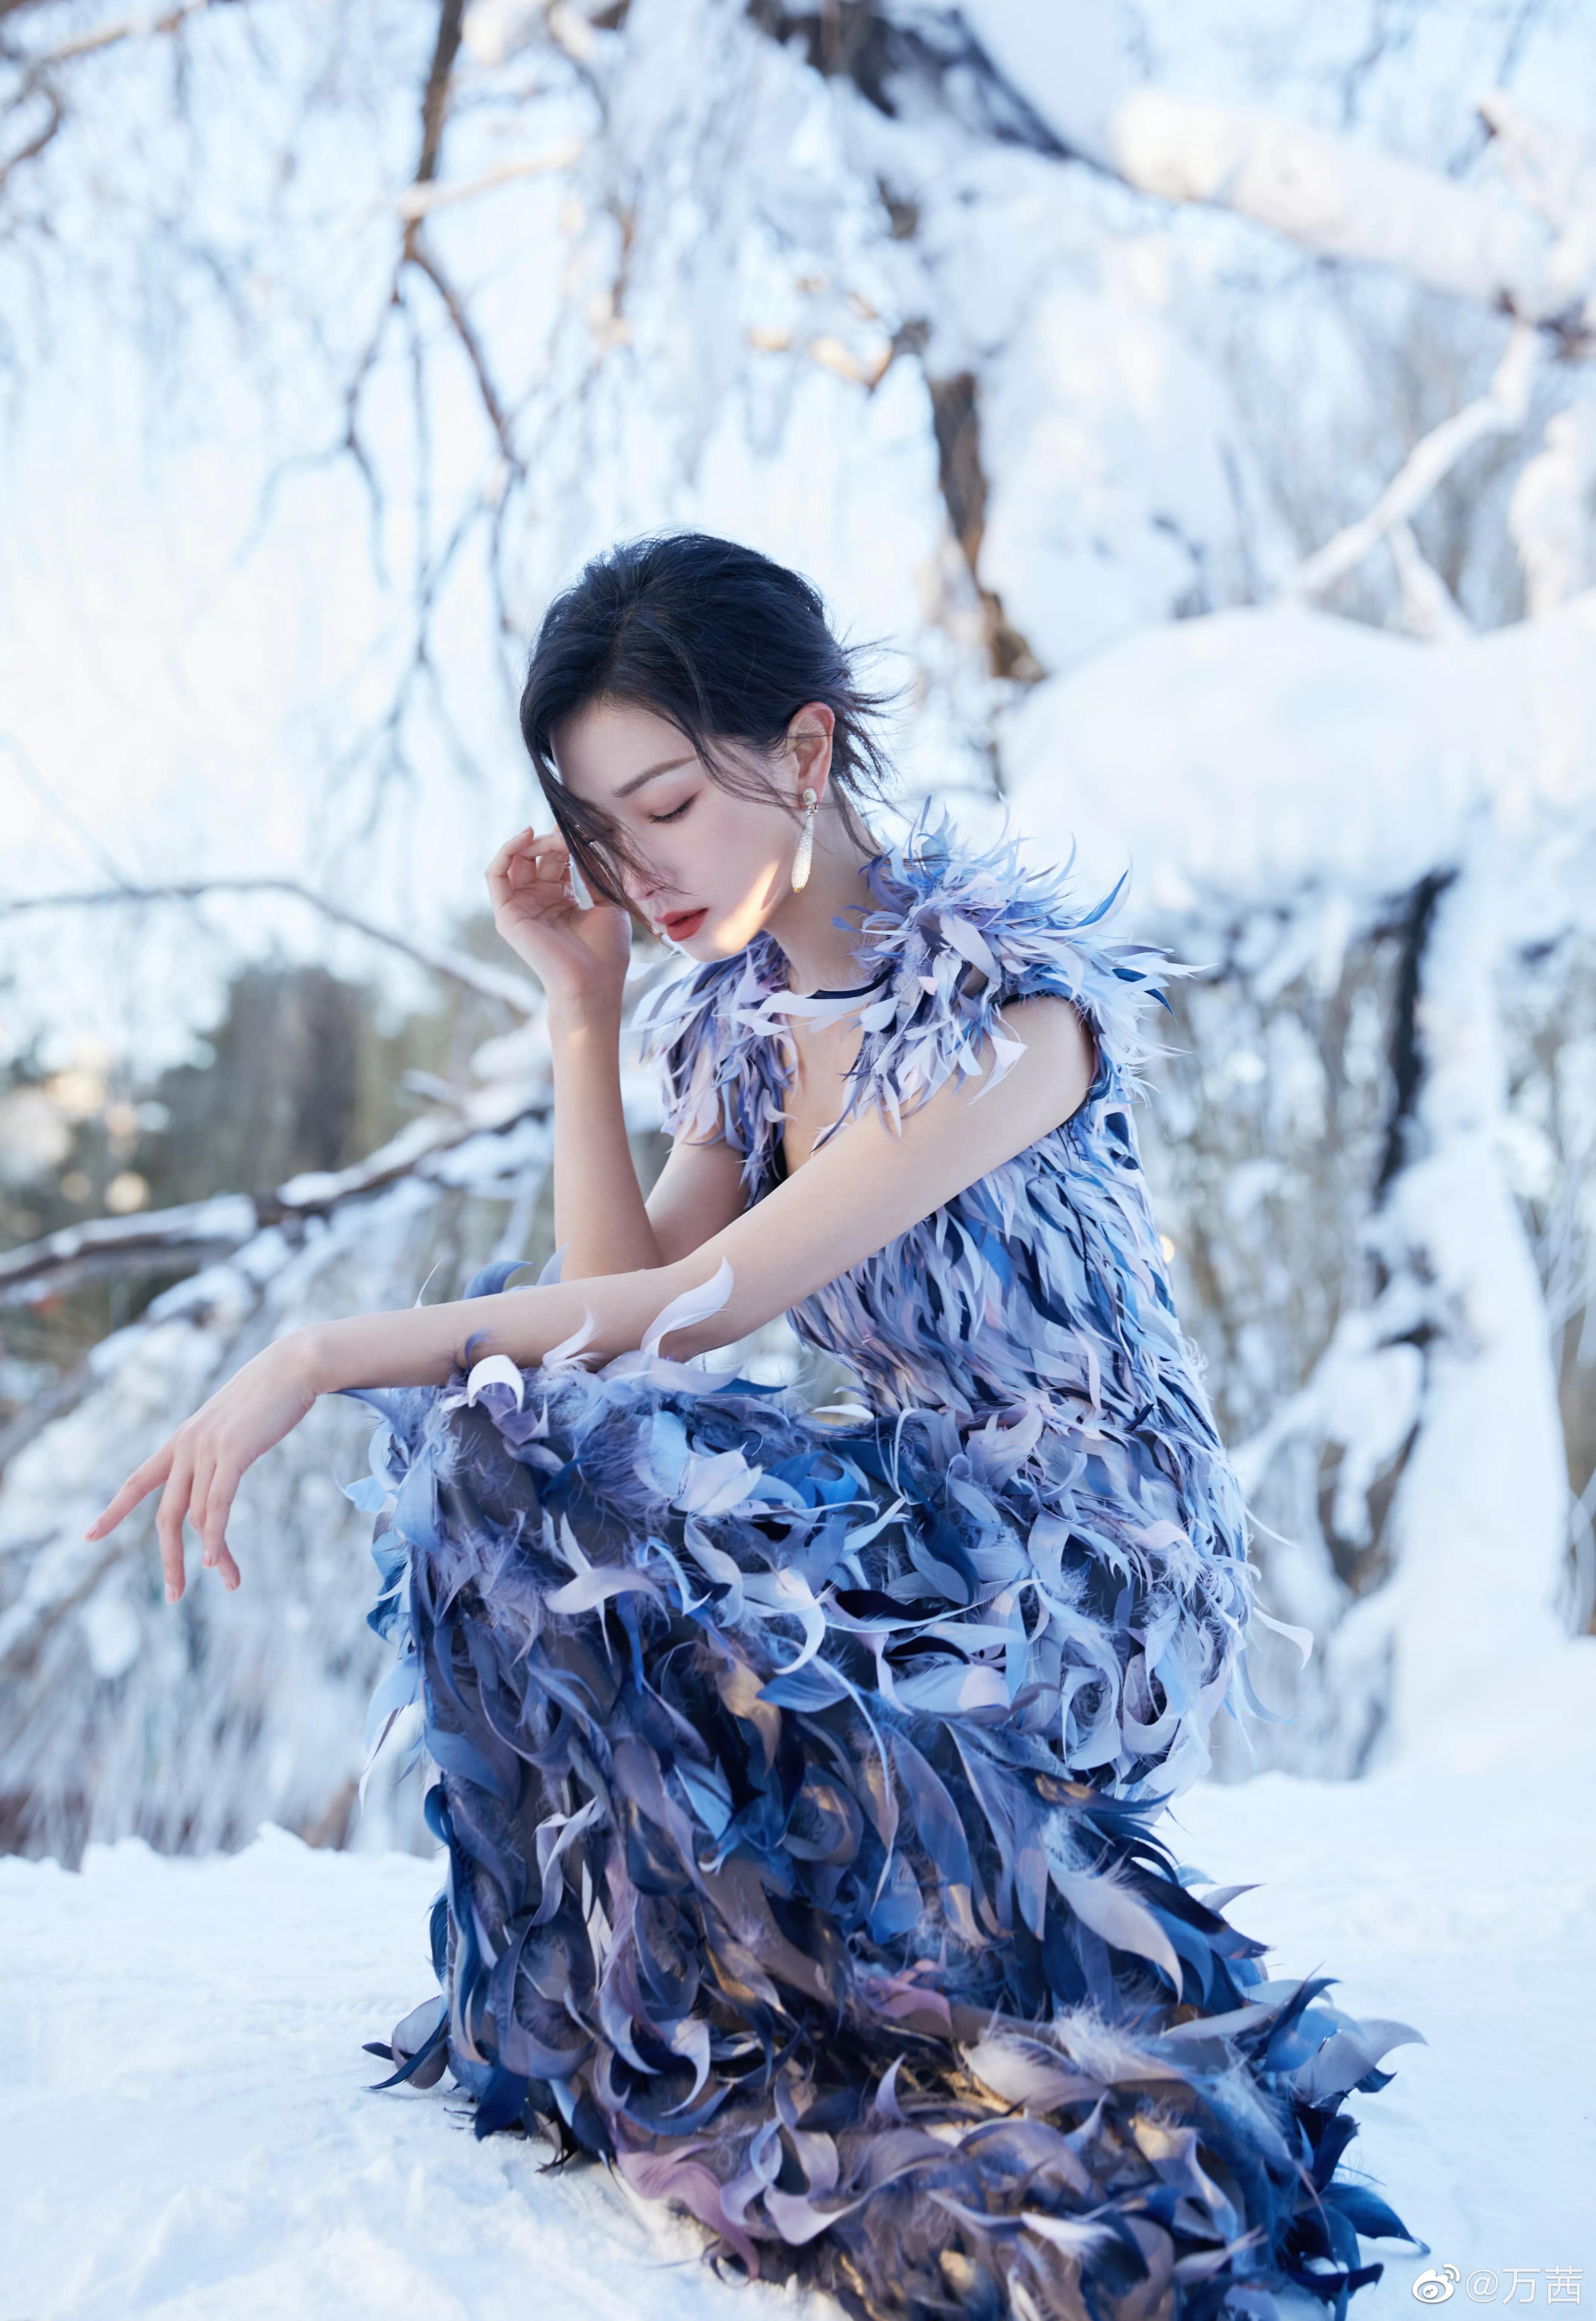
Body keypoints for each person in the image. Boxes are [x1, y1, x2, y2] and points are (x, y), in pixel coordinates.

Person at [89, 532, 1423, 2319]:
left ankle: (887, 1984)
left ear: (803, 752)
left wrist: (322, 1350)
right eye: (598, 827)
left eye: (663, 805)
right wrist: (584, 1019)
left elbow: (706, 1307)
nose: (636, 869)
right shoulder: (741, 1012)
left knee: (512, 1416)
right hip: (915, 1506)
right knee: (514, 1450)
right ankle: (688, 1994)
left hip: (1080, 1569)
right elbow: (614, 1345)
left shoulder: (1009, 1015)